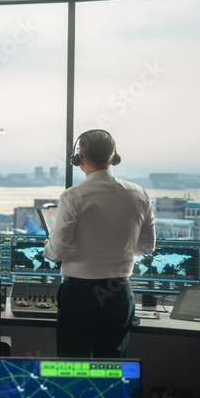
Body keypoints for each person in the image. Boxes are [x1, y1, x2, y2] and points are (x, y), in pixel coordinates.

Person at [44, 129, 155, 358]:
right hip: (119, 292)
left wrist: (49, 245)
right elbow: (146, 247)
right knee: (113, 370)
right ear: (113, 157)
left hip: (79, 295)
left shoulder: (73, 196)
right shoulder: (139, 194)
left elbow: (57, 252)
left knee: (72, 367)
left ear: (80, 159)